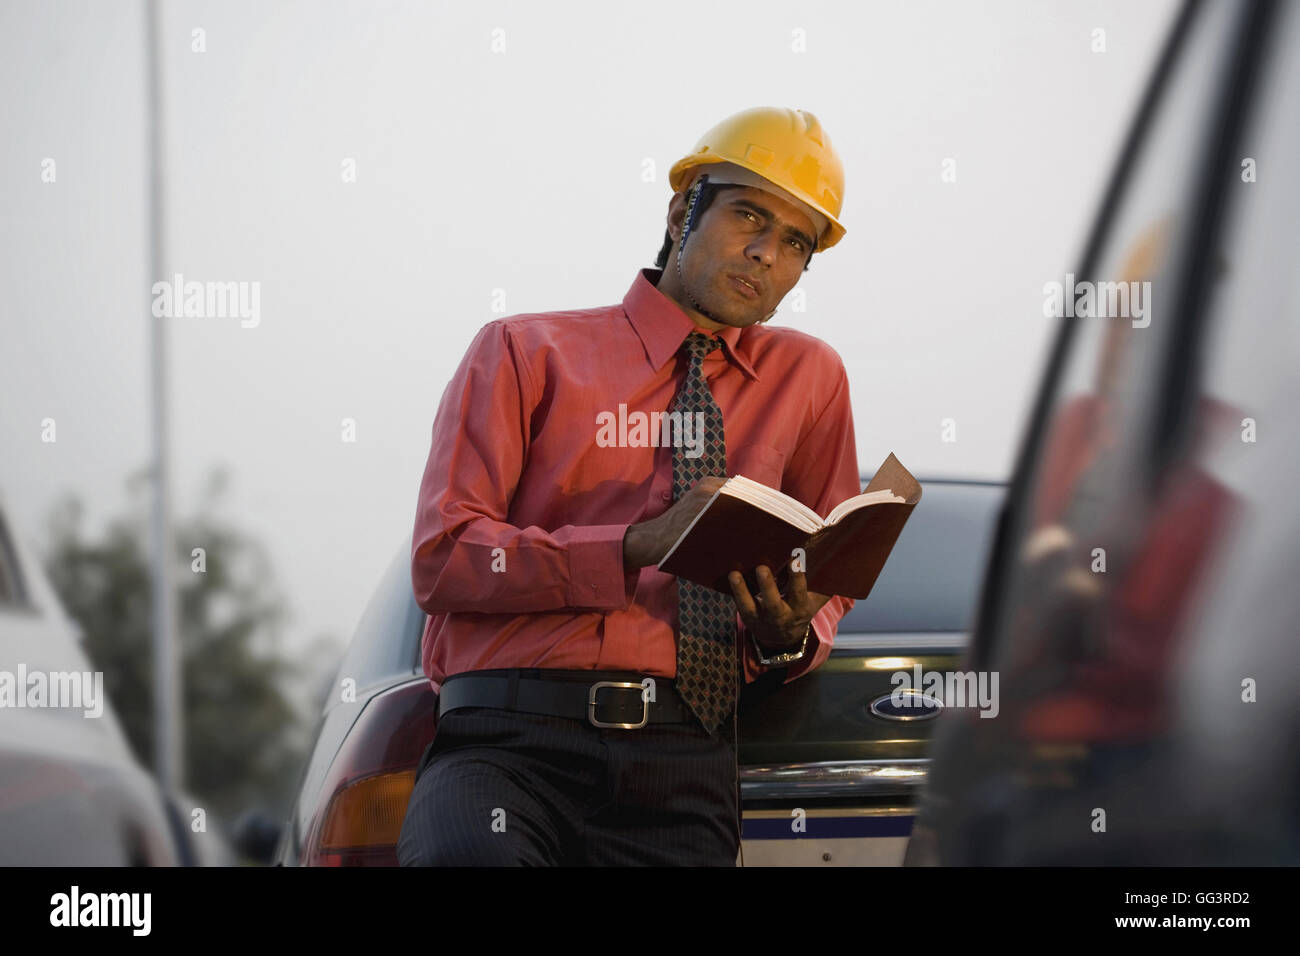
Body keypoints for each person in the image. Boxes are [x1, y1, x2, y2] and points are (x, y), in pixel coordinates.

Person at [397, 106, 862, 866]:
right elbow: (444, 557)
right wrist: (634, 545)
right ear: (684, 209)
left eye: (796, 243)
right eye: (748, 214)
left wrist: (790, 638)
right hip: (508, 743)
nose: (764, 253)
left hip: (685, 762)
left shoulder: (810, 379)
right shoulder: (523, 351)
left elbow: (829, 573)